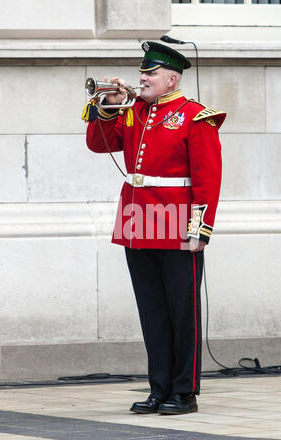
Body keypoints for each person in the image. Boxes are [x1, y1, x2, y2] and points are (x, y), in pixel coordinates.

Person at [84, 41, 226, 415]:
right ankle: (159, 387)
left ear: (172, 78)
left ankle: (184, 391)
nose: (143, 78)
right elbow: (100, 145)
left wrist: (201, 227)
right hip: (139, 221)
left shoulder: (195, 116)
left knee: (183, 310)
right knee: (153, 310)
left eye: (151, 73)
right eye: (143, 72)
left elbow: (208, 178)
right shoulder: (134, 112)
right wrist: (110, 105)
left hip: (178, 222)